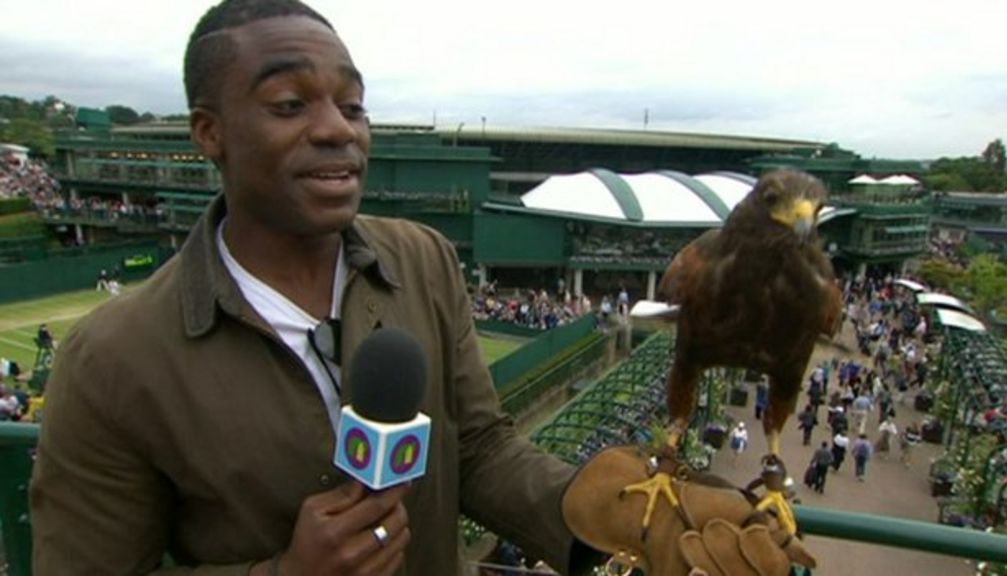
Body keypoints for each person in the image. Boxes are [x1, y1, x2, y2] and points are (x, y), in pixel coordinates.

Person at [30, 2, 596, 575]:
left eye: (353, 106)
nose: (337, 128)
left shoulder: (425, 259)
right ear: (210, 132)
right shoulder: (111, 358)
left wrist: (602, 521)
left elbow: (478, 450)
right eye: (290, 105)